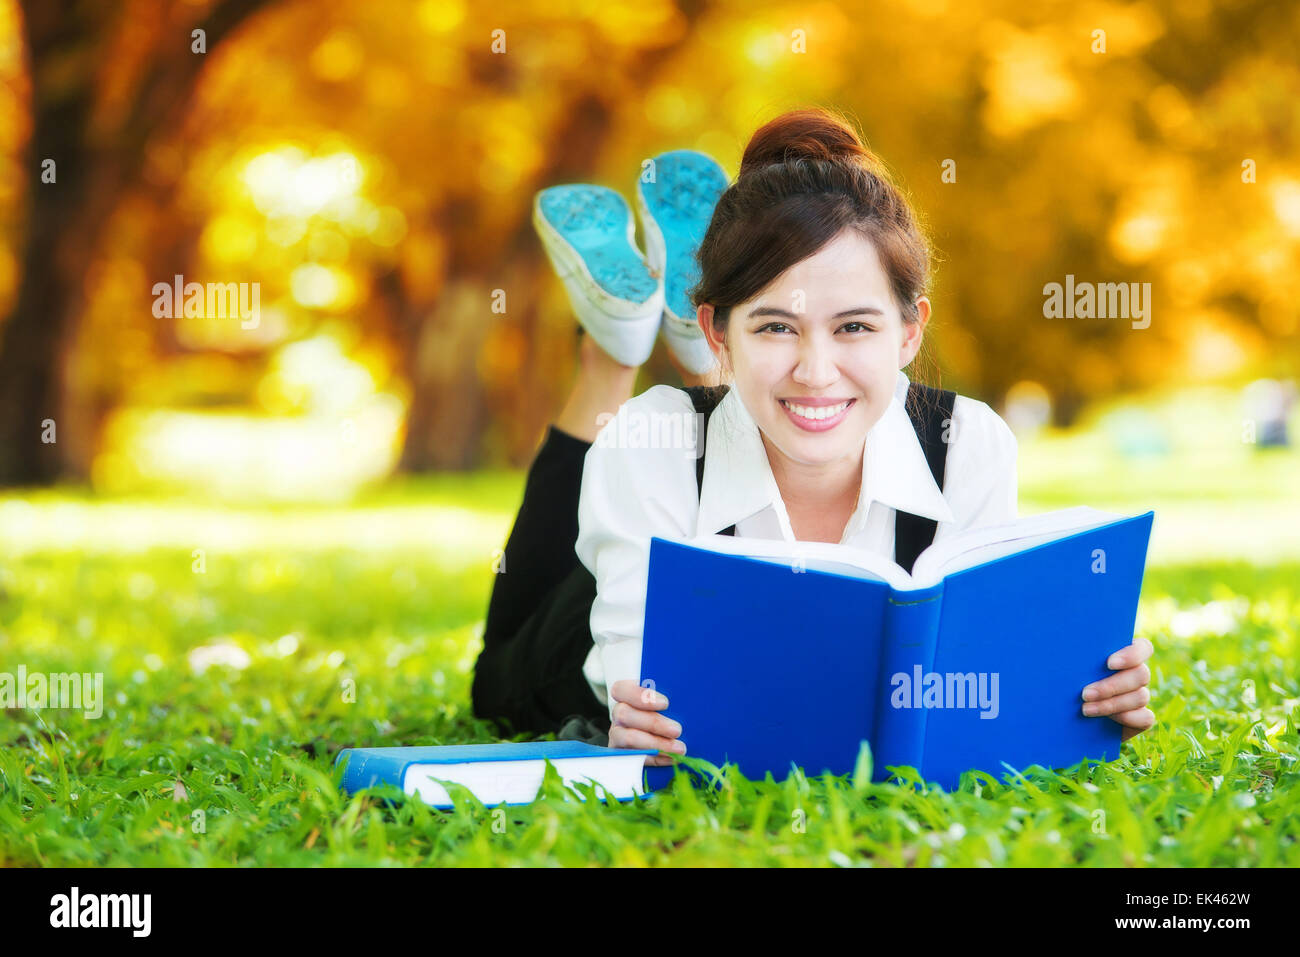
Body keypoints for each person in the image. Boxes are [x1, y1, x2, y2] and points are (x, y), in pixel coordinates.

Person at [472, 108, 1155, 768]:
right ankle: (613, 356)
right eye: (775, 326)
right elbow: (649, 691)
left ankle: (714, 348)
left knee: (764, 401)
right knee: (494, 682)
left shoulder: (968, 443)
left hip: (724, 410)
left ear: (910, 331)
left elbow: (983, 665)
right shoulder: (649, 442)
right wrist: (641, 716)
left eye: (855, 327)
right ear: (720, 330)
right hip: (582, 631)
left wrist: (1080, 697)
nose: (818, 370)